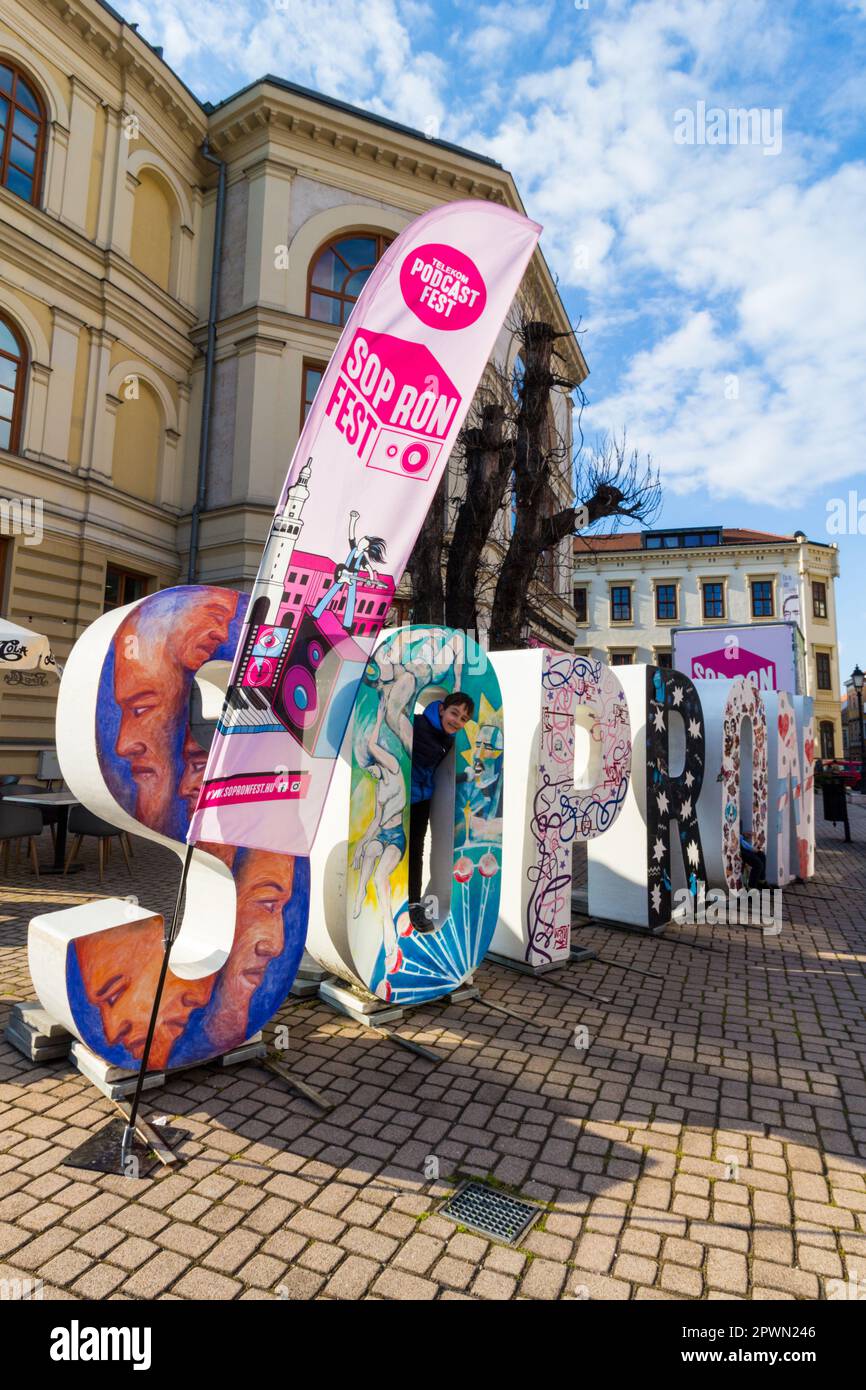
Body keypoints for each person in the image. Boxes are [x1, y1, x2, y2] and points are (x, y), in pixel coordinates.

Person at [407, 691, 474, 931]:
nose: (457, 720)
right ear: (443, 709)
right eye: (454, 713)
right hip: (402, 796)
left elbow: (434, 771)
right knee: (398, 849)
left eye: (463, 718)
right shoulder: (419, 724)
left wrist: (464, 776)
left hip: (422, 797)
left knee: (416, 850)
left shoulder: (448, 738)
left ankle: (413, 904)